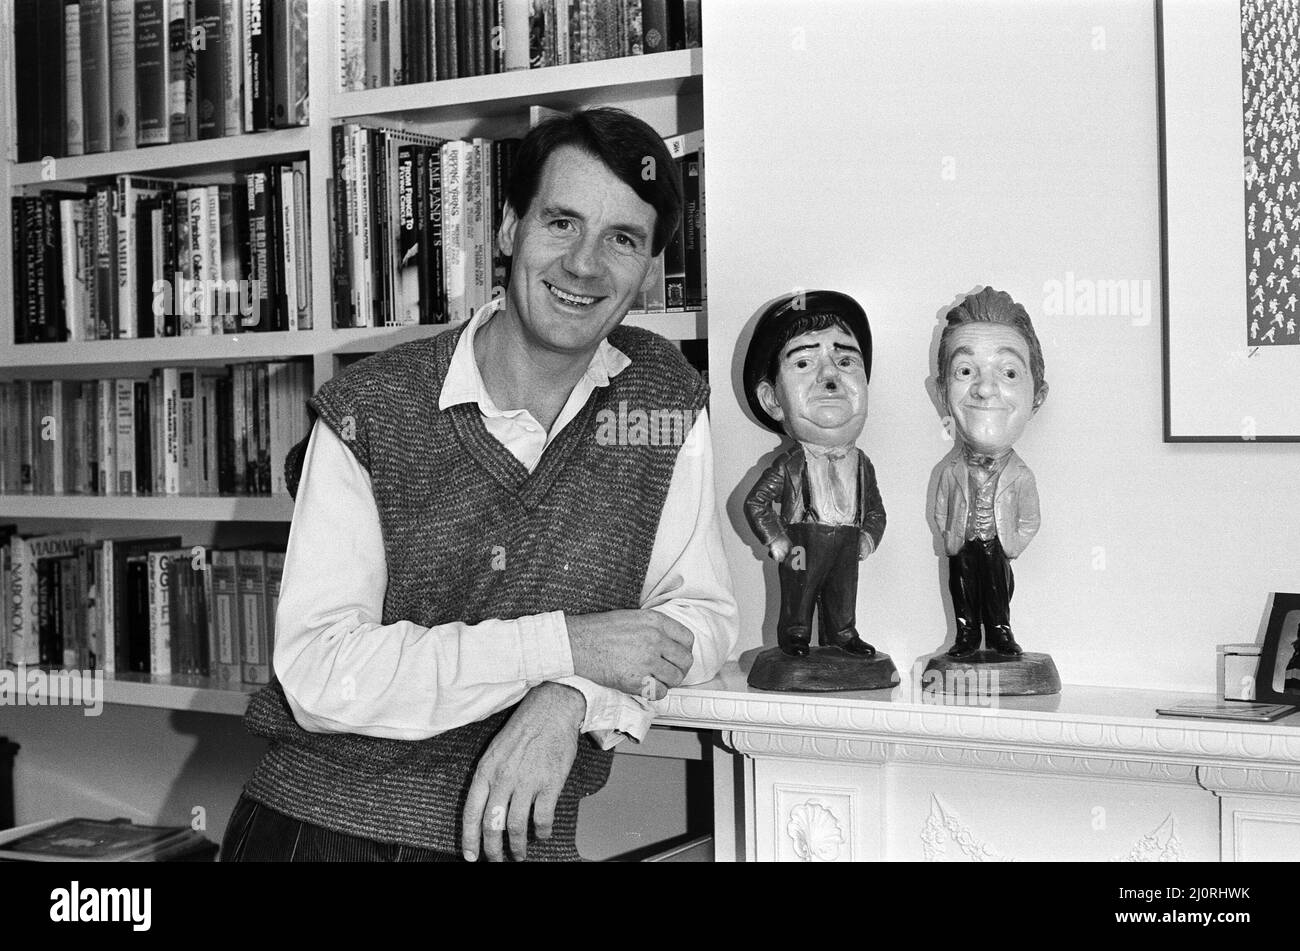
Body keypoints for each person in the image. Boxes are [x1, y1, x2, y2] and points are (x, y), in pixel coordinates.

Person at [222, 108, 738, 863]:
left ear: (649, 268)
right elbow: (321, 669)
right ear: (507, 229)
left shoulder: (659, 400)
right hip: (323, 830)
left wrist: (570, 694)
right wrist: (565, 646)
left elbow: (700, 616)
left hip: (521, 842)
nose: (585, 264)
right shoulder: (374, 410)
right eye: (561, 223)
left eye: (622, 239)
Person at [741, 291, 886, 657]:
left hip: (847, 540)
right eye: (804, 362)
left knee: (843, 591)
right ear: (772, 398)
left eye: (846, 361)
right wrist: (775, 539)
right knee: (800, 590)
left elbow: (876, 510)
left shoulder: (862, 463)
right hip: (803, 539)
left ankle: (843, 632)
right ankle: (796, 633)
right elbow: (756, 501)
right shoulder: (791, 465)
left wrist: (868, 536)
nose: (830, 377)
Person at [932, 287, 1048, 659]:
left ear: (1037, 398)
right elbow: (940, 509)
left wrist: (1012, 543)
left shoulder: (1021, 475)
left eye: (1009, 372)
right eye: (965, 371)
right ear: (941, 392)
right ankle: (966, 634)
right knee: (962, 590)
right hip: (962, 545)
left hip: (997, 545)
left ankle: (1000, 633)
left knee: (997, 592)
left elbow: (1030, 519)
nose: (984, 388)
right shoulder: (949, 471)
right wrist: (951, 536)